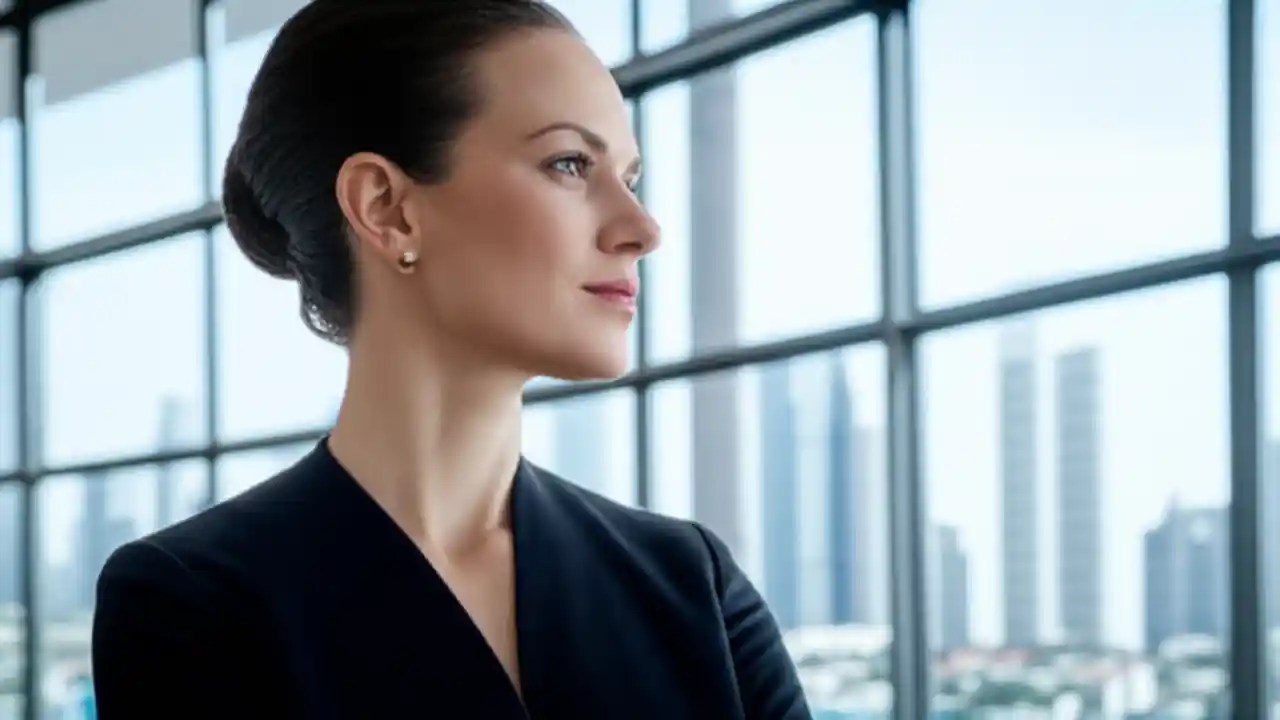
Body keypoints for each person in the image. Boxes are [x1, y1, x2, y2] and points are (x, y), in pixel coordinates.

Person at [90, 1, 811, 718]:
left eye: (631, 177)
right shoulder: (192, 601)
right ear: (387, 209)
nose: (642, 229)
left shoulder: (692, 585)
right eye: (569, 163)